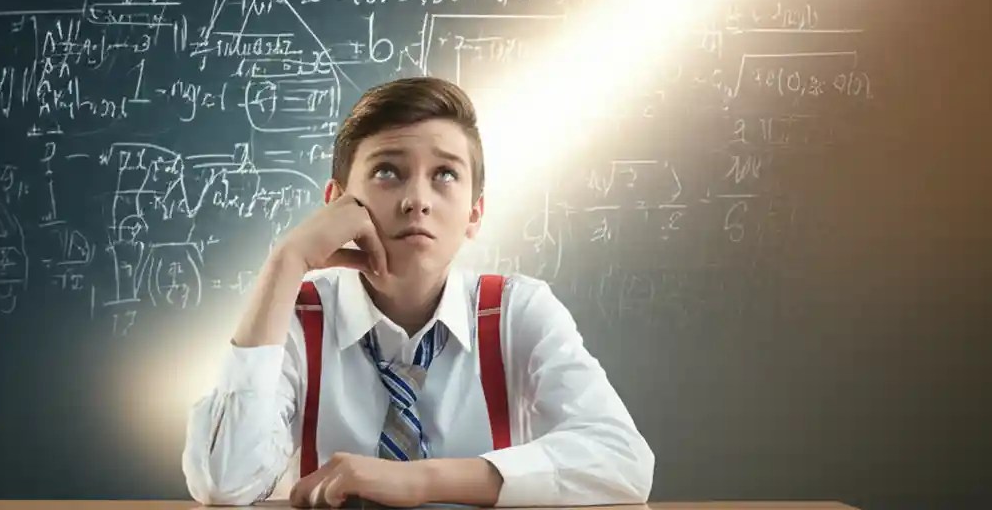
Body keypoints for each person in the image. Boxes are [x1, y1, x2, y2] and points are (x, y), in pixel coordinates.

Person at [182, 76, 655, 507]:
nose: (417, 200)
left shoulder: (514, 310)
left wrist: (420, 481)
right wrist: (285, 262)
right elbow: (224, 484)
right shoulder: (297, 315)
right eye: (388, 171)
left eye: (445, 174)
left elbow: (623, 460)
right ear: (336, 203)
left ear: (474, 214)